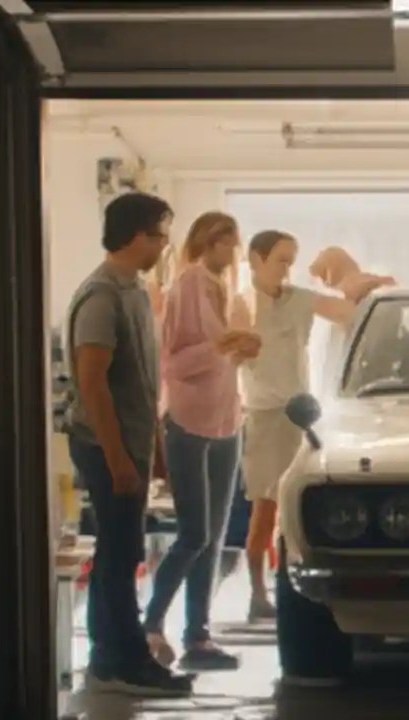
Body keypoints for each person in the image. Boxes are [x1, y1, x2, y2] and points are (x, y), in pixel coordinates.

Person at [65, 192, 193, 696]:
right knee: (120, 558)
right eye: (161, 235)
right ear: (139, 235)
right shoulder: (101, 296)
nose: (164, 245)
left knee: (122, 554)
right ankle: (127, 662)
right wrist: (118, 456)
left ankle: (108, 656)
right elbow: (92, 383)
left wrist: (153, 445)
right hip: (104, 446)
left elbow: (140, 379)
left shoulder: (135, 291)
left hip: (131, 443)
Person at [231, 231, 391, 622]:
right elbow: (234, 350)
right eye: (280, 260)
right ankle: (257, 592)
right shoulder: (241, 303)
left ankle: (289, 589)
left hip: (298, 413)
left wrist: (367, 288)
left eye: (291, 261)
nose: (286, 269)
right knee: (264, 510)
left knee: (295, 509)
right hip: (264, 415)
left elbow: (347, 314)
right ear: (256, 259)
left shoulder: (300, 300)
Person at [142, 212, 260, 671]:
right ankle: (151, 623)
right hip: (190, 421)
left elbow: (222, 356)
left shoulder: (223, 288)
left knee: (212, 539)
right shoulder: (188, 285)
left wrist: (241, 348)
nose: (233, 254)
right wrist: (225, 346)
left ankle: (198, 635)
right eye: (227, 245)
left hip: (226, 419)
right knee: (193, 534)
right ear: (208, 243)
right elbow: (175, 363)